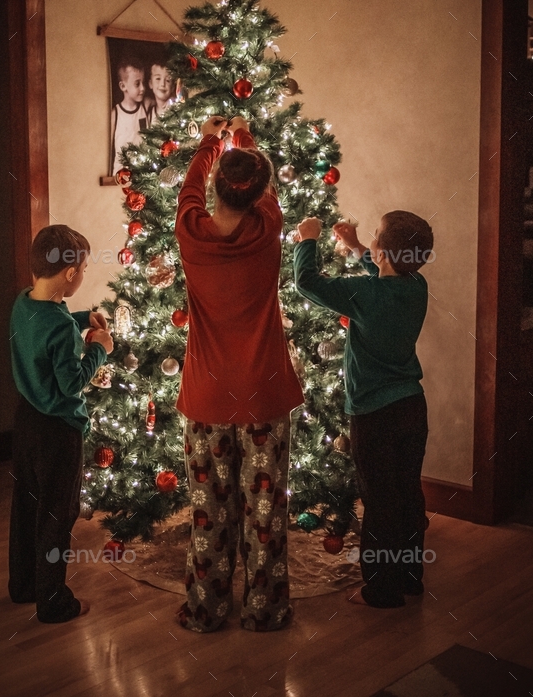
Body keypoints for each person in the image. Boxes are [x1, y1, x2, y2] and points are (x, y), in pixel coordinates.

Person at [175, 115, 304, 632]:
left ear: (216, 189)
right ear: (259, 193)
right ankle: (265, 610)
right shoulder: (267, 228)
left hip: (206, 395)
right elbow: (265, 190)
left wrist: (210, 139)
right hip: (263, 394)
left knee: (209, 510)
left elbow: (187, 191)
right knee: (265, 510)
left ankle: (206, 610)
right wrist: (244, 137)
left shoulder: (191, 230)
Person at [293, 211, 434, 609]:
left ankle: (380, 590)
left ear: (384, 253)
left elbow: (308, 283)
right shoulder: (417, 286)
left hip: (375, 414)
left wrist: (308, 240)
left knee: (379, 500)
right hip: (411, 406)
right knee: (408, 492)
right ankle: (409, 576)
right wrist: (358, 247)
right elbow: (385, 273)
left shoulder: (365, 295)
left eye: (374, 238)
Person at [8, 224, 113, 623]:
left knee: (26, 506)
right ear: (70, 274)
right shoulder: (62, 328)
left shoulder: (23, 302)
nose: (83, 275)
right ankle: (53, 601)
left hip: (26, 423)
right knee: (57, 513)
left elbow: (46, 324)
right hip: (58, 432)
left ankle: (22, 585)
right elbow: (71, 385)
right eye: (83, 270)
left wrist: (83, 316)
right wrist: (99, 350)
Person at [111, 59, 146, 175]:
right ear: (123, 86)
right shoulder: (115, 113)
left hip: (141, 174)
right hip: (120, 175)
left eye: (143, 83)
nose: (142, 88)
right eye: (137, 84)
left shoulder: (145, 108)